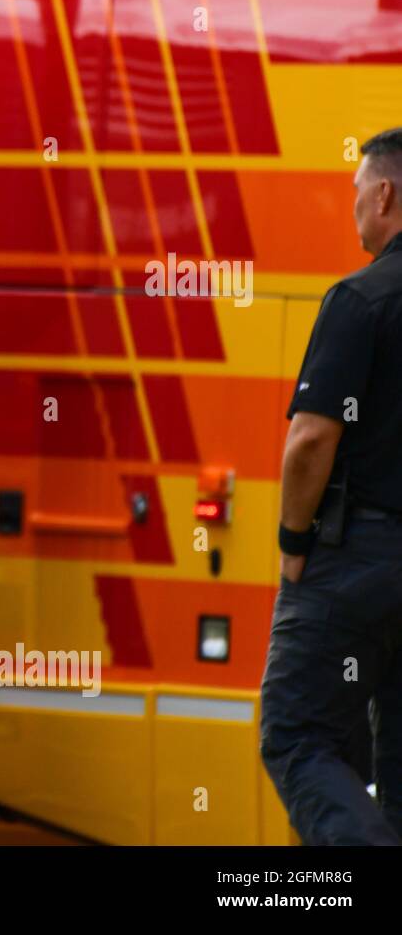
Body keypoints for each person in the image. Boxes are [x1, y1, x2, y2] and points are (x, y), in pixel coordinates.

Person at [260, 126, 402, 844]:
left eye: (355, 195)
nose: (352, 211)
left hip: (359, 558)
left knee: (296, 737)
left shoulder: (360, 298)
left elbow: (312, 438)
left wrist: (293, 544)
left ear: (385, 194)